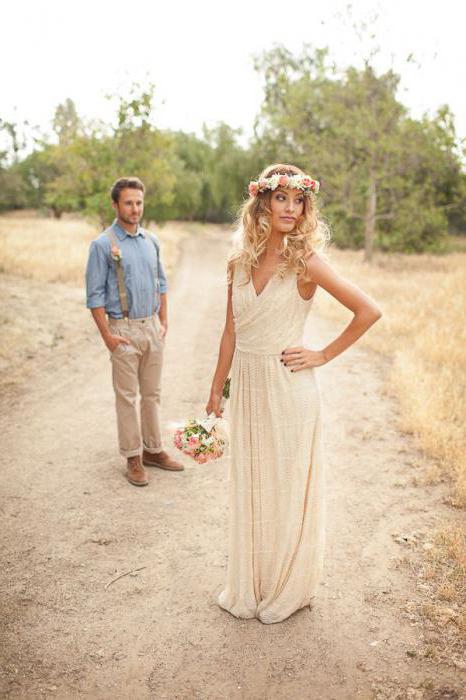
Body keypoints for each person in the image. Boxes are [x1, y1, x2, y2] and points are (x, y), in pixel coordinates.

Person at [206, 163, 382, 624]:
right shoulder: (238, 263)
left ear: (306, 207)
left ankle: (288, 588)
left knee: (284, 487)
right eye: (280, 197)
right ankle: (254, 585)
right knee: (252, 484)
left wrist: (321, 355)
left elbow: (368, 311)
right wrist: (214, 395)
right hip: (246, 387)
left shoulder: (307, 263)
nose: (289, 207)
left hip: (289, 390)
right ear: (262, 202)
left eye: (297, 199)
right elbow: (230, 333)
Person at [85, 176, 183, 487]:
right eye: (128, 202)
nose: (135, 208)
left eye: (138, 202)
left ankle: (153, 450)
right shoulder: (102, 245)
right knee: (127, 397)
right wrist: (109, 338)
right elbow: (95, 297)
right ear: (115, 205)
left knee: (152, 394)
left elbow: (162, 283)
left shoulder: (151, 241)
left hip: (151, 327)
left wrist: (163, 321)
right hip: (122, 329)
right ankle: (132, 457)